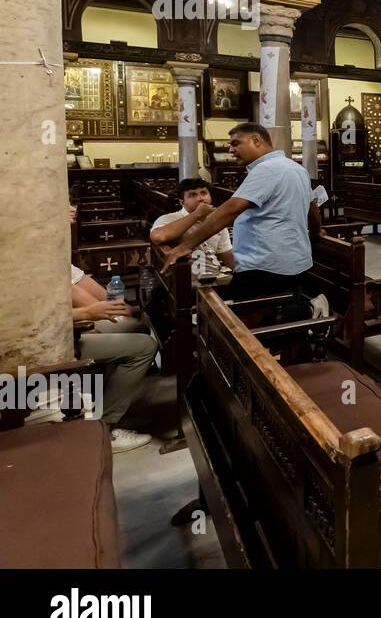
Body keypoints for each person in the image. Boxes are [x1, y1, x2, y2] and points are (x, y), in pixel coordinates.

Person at [163, 123, 317, 305]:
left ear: (256, 140)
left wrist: (184, 246)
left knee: (234, 324)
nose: (231, 149)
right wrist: (316, 233)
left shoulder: (266, 169)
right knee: (273, 313)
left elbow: (230, 210)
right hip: (294, 261)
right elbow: (312, 206)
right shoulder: (296, 168)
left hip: (265, 266)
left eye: (236, 143)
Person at [69, 283, 157, 453]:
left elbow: (71, 286)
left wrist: (104, 309)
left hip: (69, 330)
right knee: (145, 347)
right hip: (57, 342)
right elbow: (39, 318)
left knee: (136, 328)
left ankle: (107, 406)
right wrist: (86, 312)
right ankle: (103, 430)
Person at [149, 177, 236, 278]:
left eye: (204, 193)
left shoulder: (216, 222)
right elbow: (158, 237)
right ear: (182, 202)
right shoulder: (170, 218)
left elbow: (226, 255)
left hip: (213, 276)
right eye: (193, 195)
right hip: (184, 279)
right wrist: (196, 214)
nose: (201, 198)